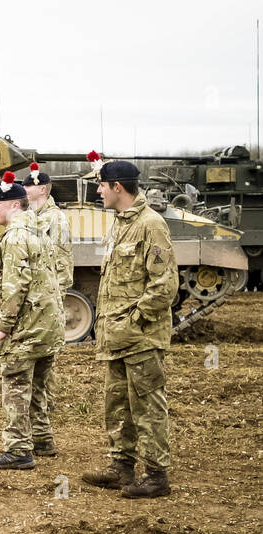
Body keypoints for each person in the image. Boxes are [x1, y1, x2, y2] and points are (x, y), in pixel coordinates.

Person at [81, 159, 178, 498]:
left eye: (101, 186)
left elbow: (164, 285)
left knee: (147, 406)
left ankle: (155, 476)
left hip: (140, 337)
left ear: (117, 187)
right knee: (117, 404)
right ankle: (121, 467)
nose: (98, 191)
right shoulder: (121, 223)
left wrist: (134, 321)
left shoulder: (151, 225)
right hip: (116, 337)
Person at [0, 171, 63, 469]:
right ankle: (42, 438)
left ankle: (18, 449)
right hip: (48, 325)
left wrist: (2, 328)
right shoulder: (38, 231)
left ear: (15, 205)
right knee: (40, 384)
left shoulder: (15, 237)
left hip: (27, 327)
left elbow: (15, 286)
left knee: (16, 383)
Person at [23, 162, 73, 452]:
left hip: (49, 288)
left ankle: (47, 400)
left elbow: (59, 255)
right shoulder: (33, 214)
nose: (25, 189)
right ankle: (41, 399)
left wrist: (58, 289)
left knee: (47, 349)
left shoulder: (54, 218)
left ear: (42, 188)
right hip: (38, 288)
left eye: (29, 185)